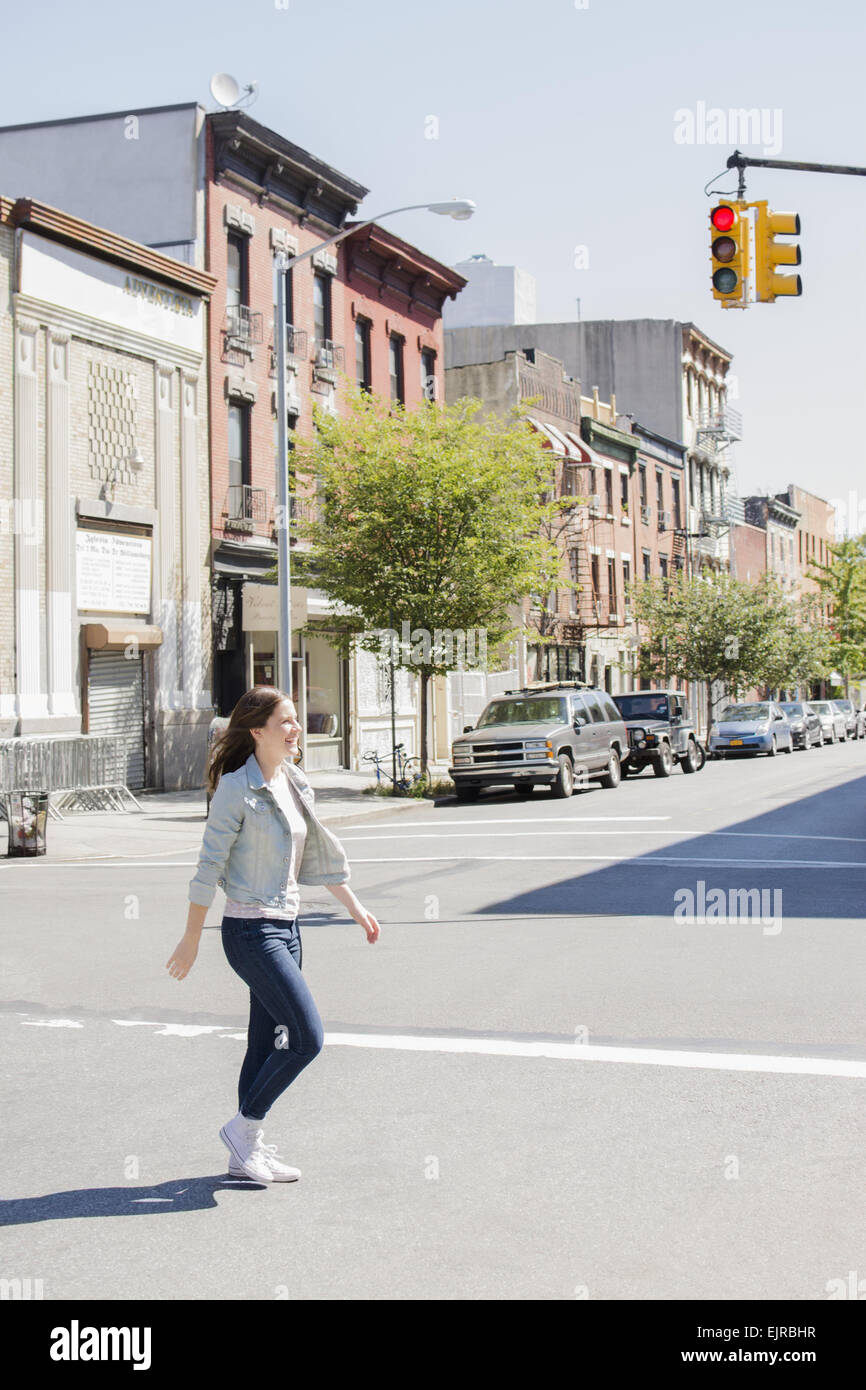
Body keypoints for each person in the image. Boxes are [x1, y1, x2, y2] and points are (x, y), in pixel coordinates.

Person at [165, 685, 380, 1183]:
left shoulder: (294, 780)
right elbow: (207, 868)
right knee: (306, 1037)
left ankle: (246, 1151)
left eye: (296, 720)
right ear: (256, 731)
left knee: (263, 1043)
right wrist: (191, 937)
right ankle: (243, 1130)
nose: (296, 729)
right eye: (285, 721)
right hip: (249, 930)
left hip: (288, 926)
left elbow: (318, 857)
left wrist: (355, 907)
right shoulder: (235, 791)